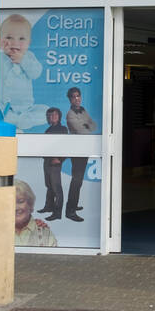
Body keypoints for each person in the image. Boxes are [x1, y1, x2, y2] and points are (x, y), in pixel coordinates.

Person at [0, 13, 46, 132]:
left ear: (29, 43)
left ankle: (21, 120)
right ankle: (14, 122)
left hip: (26, 108)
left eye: (21, 38)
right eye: (8, 38)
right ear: (0, 40)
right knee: (0, 116)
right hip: (4, 107)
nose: (15, 43)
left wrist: (23, 61)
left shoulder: (29, 57)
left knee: (45, 111)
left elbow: (36, 73)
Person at [62, 86, 93, 223]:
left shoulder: (83, 110)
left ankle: (73, 205)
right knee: (76, 180)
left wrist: (86, 125)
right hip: (77, 150)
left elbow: (93, 126)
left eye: (78, 96)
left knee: (78, 181)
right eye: (74, 96)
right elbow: (82, 131)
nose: (77, 98)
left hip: (84, 148)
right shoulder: (70, 114)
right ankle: (70, 211)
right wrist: (85, 125)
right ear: (70, 99)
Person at [40, 107, 68, 220]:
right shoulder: (48, 130)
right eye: (50, 115)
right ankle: (48, 207)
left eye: (55, 115)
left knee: (57, 188)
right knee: (49, 185)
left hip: (55, 162)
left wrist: (60, 159)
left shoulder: (62, 129)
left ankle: (57, 213)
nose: (52, 117)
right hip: (47, 162)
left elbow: (65, 145)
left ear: (59, 116)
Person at [14, 180, 58, 248]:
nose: (16, 208)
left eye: (20, 201)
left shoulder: (45, 233)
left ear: (30, 204)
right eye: (10, 203)